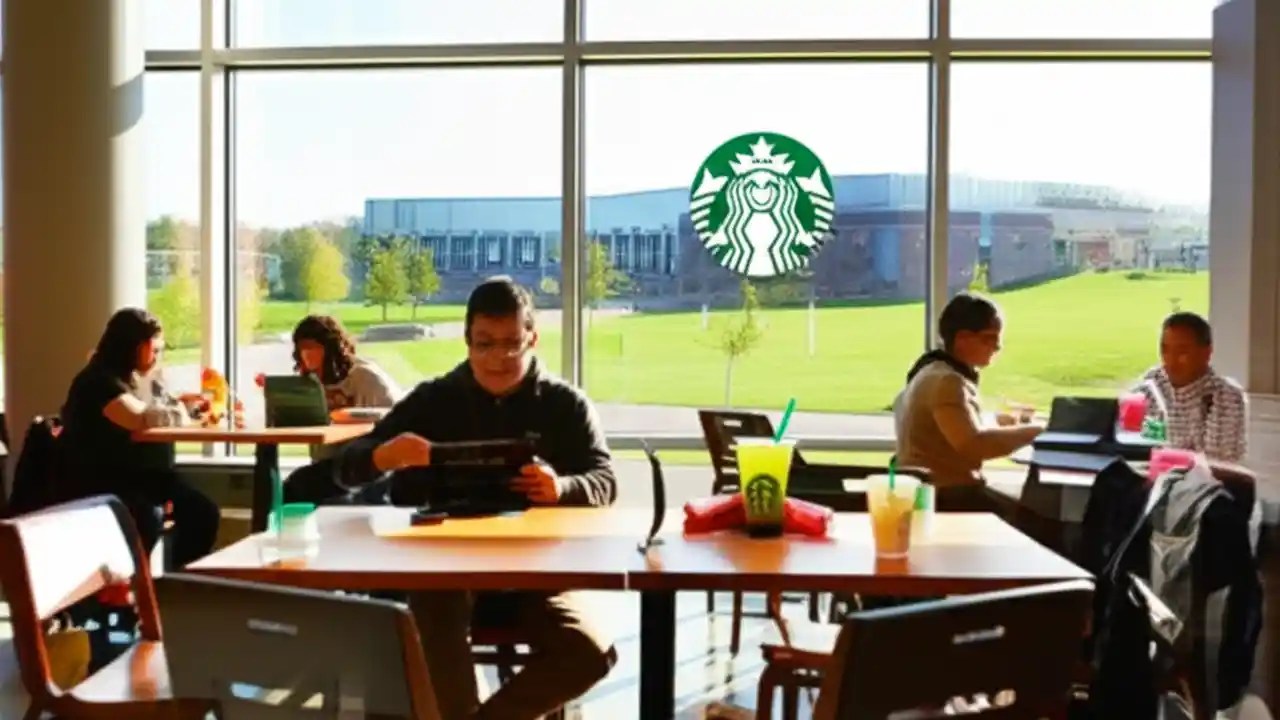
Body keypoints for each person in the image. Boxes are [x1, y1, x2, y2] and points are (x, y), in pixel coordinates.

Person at [336, 277, 616, 719]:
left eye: (511, 344)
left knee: (590, 651)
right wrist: (384, 455)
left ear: (532, 339)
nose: (498, 358)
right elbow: (347, 467)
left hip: (540, 575)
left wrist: (561, 487)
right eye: (485, 344)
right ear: (467, 341)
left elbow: (605, 480)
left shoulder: (565, 405)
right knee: (429, 616)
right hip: (444, 572)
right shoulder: (433, 400)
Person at [58, 307, 220, 568]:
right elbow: (140, 417)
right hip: (105, 481)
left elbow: (152, 410)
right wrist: (183, 412)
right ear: (134, 347)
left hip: (140, 478)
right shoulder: (98, 382)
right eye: (154, 350)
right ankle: (143, 582)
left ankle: (176, 581)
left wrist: (184, 406)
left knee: (202, 511)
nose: (157, 358)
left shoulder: (127, 378)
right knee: (157, 515)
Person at [893, 292, 1043, 487]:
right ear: (962, 338)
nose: (997, 346)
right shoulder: (947, 382)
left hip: (927, 490)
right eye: (989, 338)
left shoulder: (930, 371)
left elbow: (955, 428)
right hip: (947, 494)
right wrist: (1037, 432)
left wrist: (1001, 422)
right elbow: (973, 445)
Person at [281, 315, 401, 505]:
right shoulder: (310, 382)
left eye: (313, 348)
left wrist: (355, 418)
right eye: (302, 349)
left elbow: (396, 418)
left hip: (363, 464)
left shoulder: (365, 376)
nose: (307, 355)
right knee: (292, 487)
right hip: (327, 462)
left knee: (299, 486)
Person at [1135, 311, 1247, 463]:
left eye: (1182, 352)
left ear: (1206, 353)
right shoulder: (1151, 387)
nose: (1171, 360)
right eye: (1165, 350)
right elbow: (1140, 447)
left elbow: (1217, 464)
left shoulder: (1226, 398)